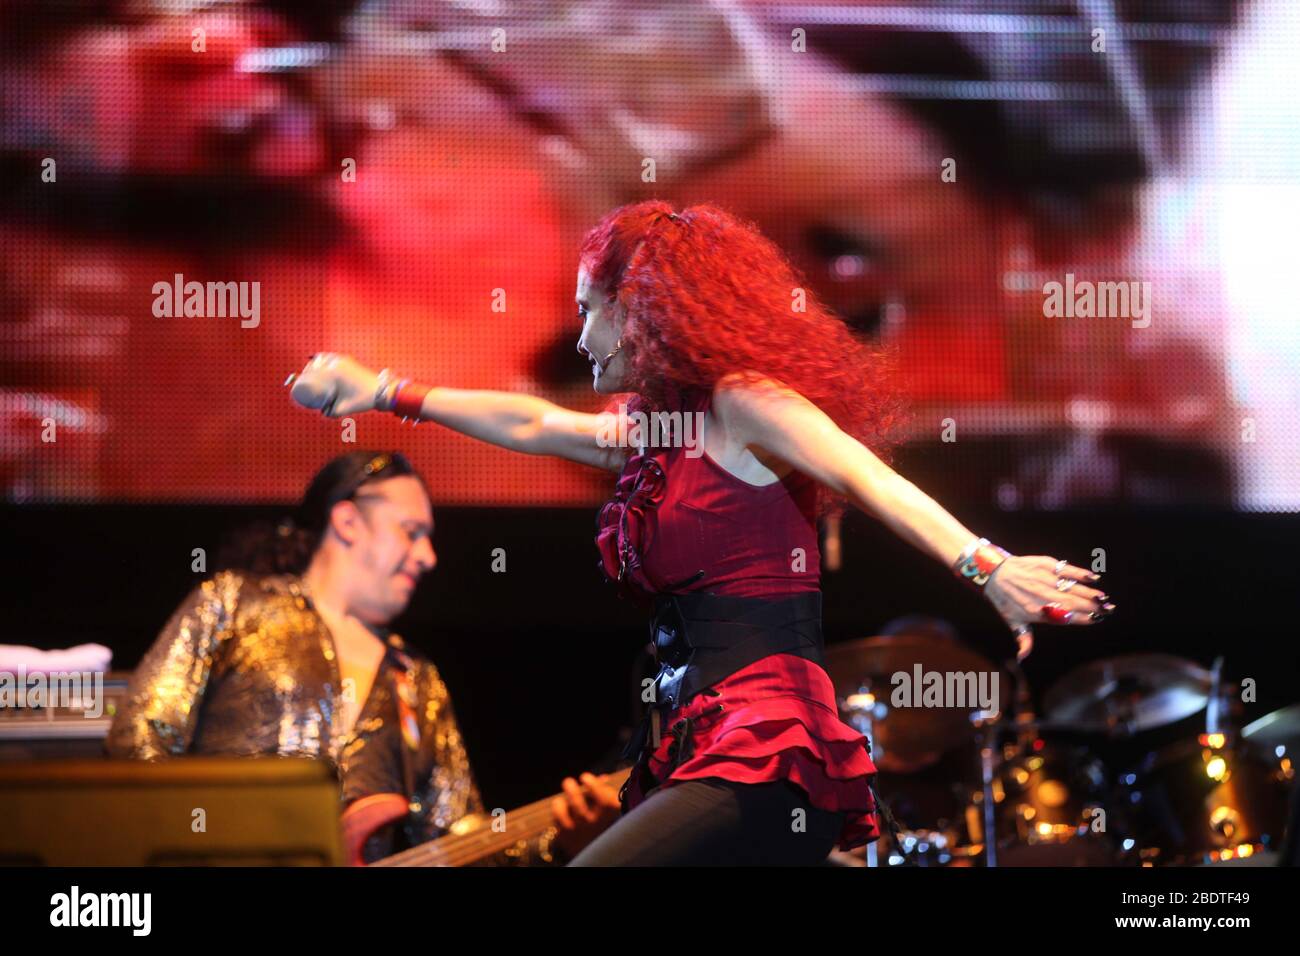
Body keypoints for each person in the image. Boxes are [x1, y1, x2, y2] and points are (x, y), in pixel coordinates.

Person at [286, 201, 1115, 865]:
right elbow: (537, 424)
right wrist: (384, 391)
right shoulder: (660, 431)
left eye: (590, 311)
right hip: (695, 745)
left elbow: (867, 476)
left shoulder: (742, 404)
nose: (579, 338)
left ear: (644, 307)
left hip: (766, 745)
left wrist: (986, 566)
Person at [105, 450, 620, 864]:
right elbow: (141, 735)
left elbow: (456, 834)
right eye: (411, 531)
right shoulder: (232, 603)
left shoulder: (416, 678)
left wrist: (560, 841)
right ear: (348, 520)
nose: (428, 556)